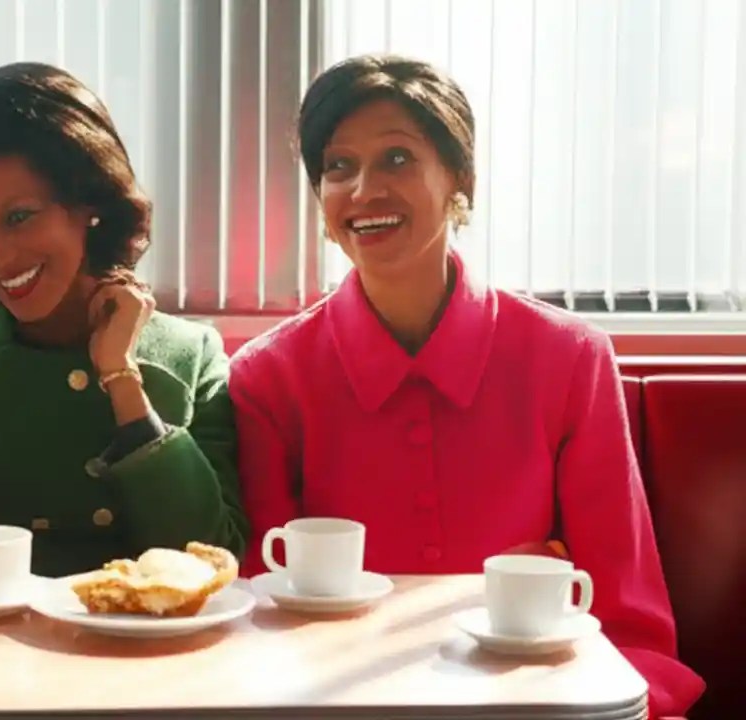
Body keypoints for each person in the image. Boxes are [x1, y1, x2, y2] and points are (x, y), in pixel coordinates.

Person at [229, 55, 704, 717]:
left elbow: (629, 622)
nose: (364, 190)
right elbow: (263, 613)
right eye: (338, 166)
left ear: (462, 180)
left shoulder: (570, 358)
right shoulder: (267, 377)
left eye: (397, 158)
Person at [0, 62, 247, 623]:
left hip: (150, 661)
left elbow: (212, 552)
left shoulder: (192, 354)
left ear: (90, 205)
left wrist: (121, 376)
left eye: (20, 217)